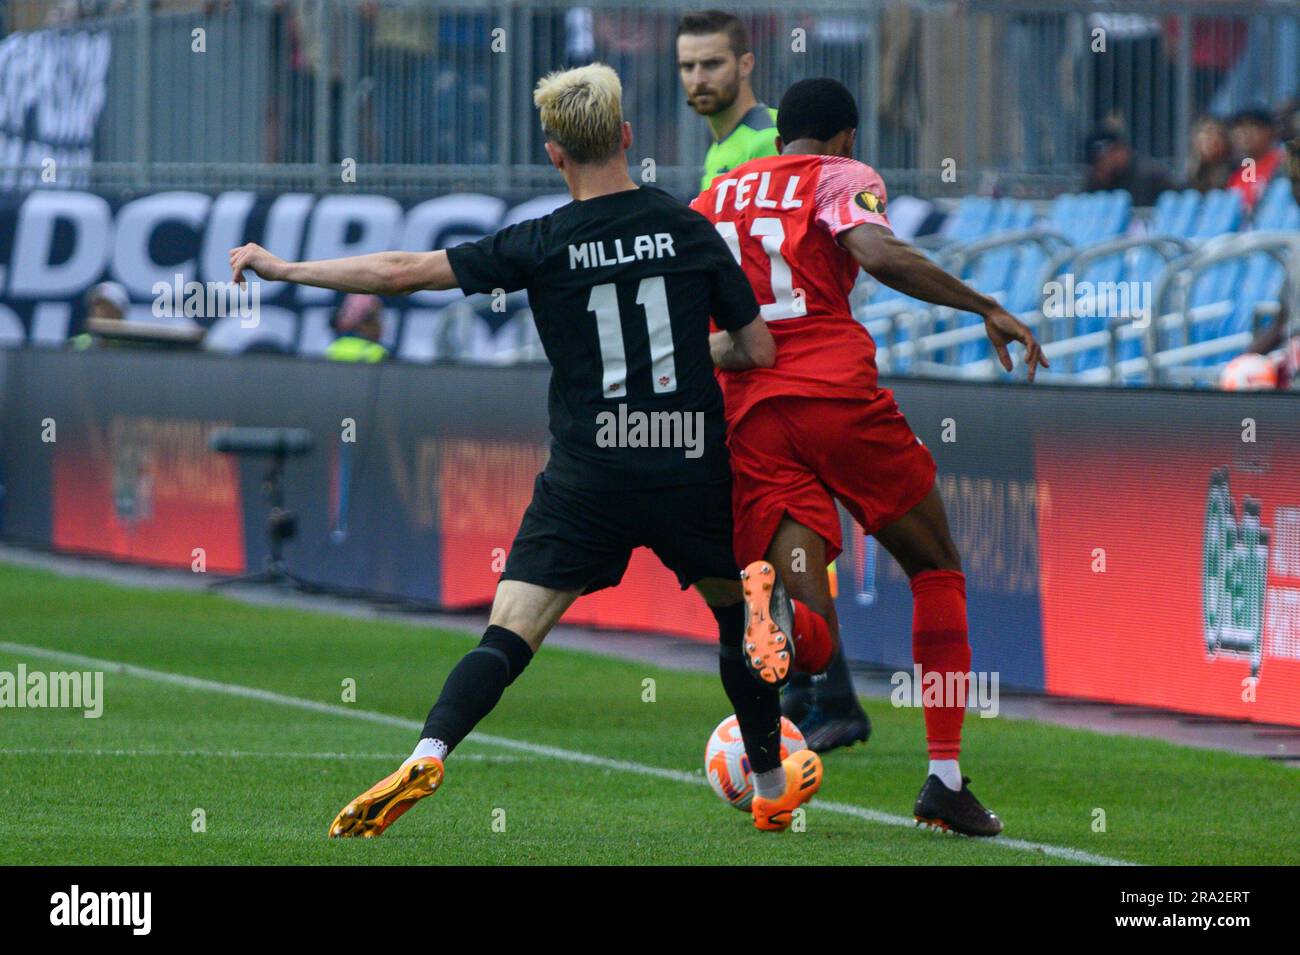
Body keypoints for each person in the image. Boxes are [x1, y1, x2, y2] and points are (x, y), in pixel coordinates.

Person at [230, 63, 832, 836]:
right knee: (728, 619)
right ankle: (773, 781)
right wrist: (690, 354)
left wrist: (284, 267)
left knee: (509, 633)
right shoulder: (689, 228)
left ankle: (431, 747)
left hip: (589, 473)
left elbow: (402, 272)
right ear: (625, 136)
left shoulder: (541, 241)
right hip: (686, 461)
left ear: (554, 154)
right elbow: (754, 348)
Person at [693, 78, 1050, 836]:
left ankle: (781, 621)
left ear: (779, 132)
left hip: (750, 412)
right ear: (848, 138)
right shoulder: (841, 179)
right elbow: (878, 252)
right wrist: (984, 304)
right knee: (936, 566)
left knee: (812, 619)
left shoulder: (714, 197)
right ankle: (945, 779)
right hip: (835, 395)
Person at [676, 11, 779, 191]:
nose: (698, 79)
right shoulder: (719, 146)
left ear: (745, 65)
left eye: (712, 64)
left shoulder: (768, 139)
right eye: (688, 66)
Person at [1083, 127, 1175, 207]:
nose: (1101, 169)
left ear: (1119, 150)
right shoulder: (1098, 181)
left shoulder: (1150, 175)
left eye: (1103, 160)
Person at [1225, 106, 1288, 212]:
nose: (1245, 133)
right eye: (1239, 127)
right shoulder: (1236, 173)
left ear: (1271, 131)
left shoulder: (1284, 163)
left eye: (1252, 125)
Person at [324, 293, 388, 362]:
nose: (381, 325)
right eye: (377, 318)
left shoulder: (333, 348)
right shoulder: (377, 352)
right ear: (363, 324)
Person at [1183, 115, 1233, 193]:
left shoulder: (1234, 174)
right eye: (1207, 132)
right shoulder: (1188, 176)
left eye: (1218, 134)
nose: (1212, 139)